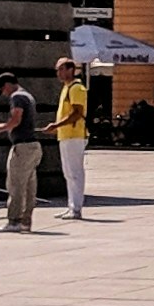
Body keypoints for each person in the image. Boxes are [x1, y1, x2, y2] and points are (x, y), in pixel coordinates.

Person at [0, 72, 42, 230]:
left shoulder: (17, 97)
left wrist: (2, 128)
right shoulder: (28, 96)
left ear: (7, 85)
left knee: (16, 184)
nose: (4, 94)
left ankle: (14, 220)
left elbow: (16, 119)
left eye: (3, 90)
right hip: (33, 146)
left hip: (22, 147)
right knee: (29, 186)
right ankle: (26, 221)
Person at [52, 57, 90, 222]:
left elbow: (77, 113)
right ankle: (71, 206)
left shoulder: (76, 88)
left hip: (74, 135)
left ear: (70, 70)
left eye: (61, 69)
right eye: (57, 70)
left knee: (75, 172)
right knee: (68, 173)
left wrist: (56, 124)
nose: (58, 73)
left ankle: (76, 208)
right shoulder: (66, 88)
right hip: (66, 135)